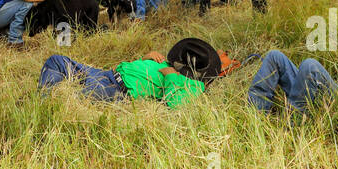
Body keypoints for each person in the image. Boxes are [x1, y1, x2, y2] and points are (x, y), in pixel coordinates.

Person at [38, 42, 216, 109]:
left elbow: (175, 105)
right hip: (106, 74)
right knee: (57, 60)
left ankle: (45, 105)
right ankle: (44, 97)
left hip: (115, 90)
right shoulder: (167, 62)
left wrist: (171, 76)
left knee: (69, 100)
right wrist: (143, 59)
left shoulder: (194, 85)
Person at [247, 50, 338, 115]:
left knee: (310, 65)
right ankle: (256, 116)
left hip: (335, 98)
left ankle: (291, 124)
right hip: (318, 88)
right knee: (274, 56)